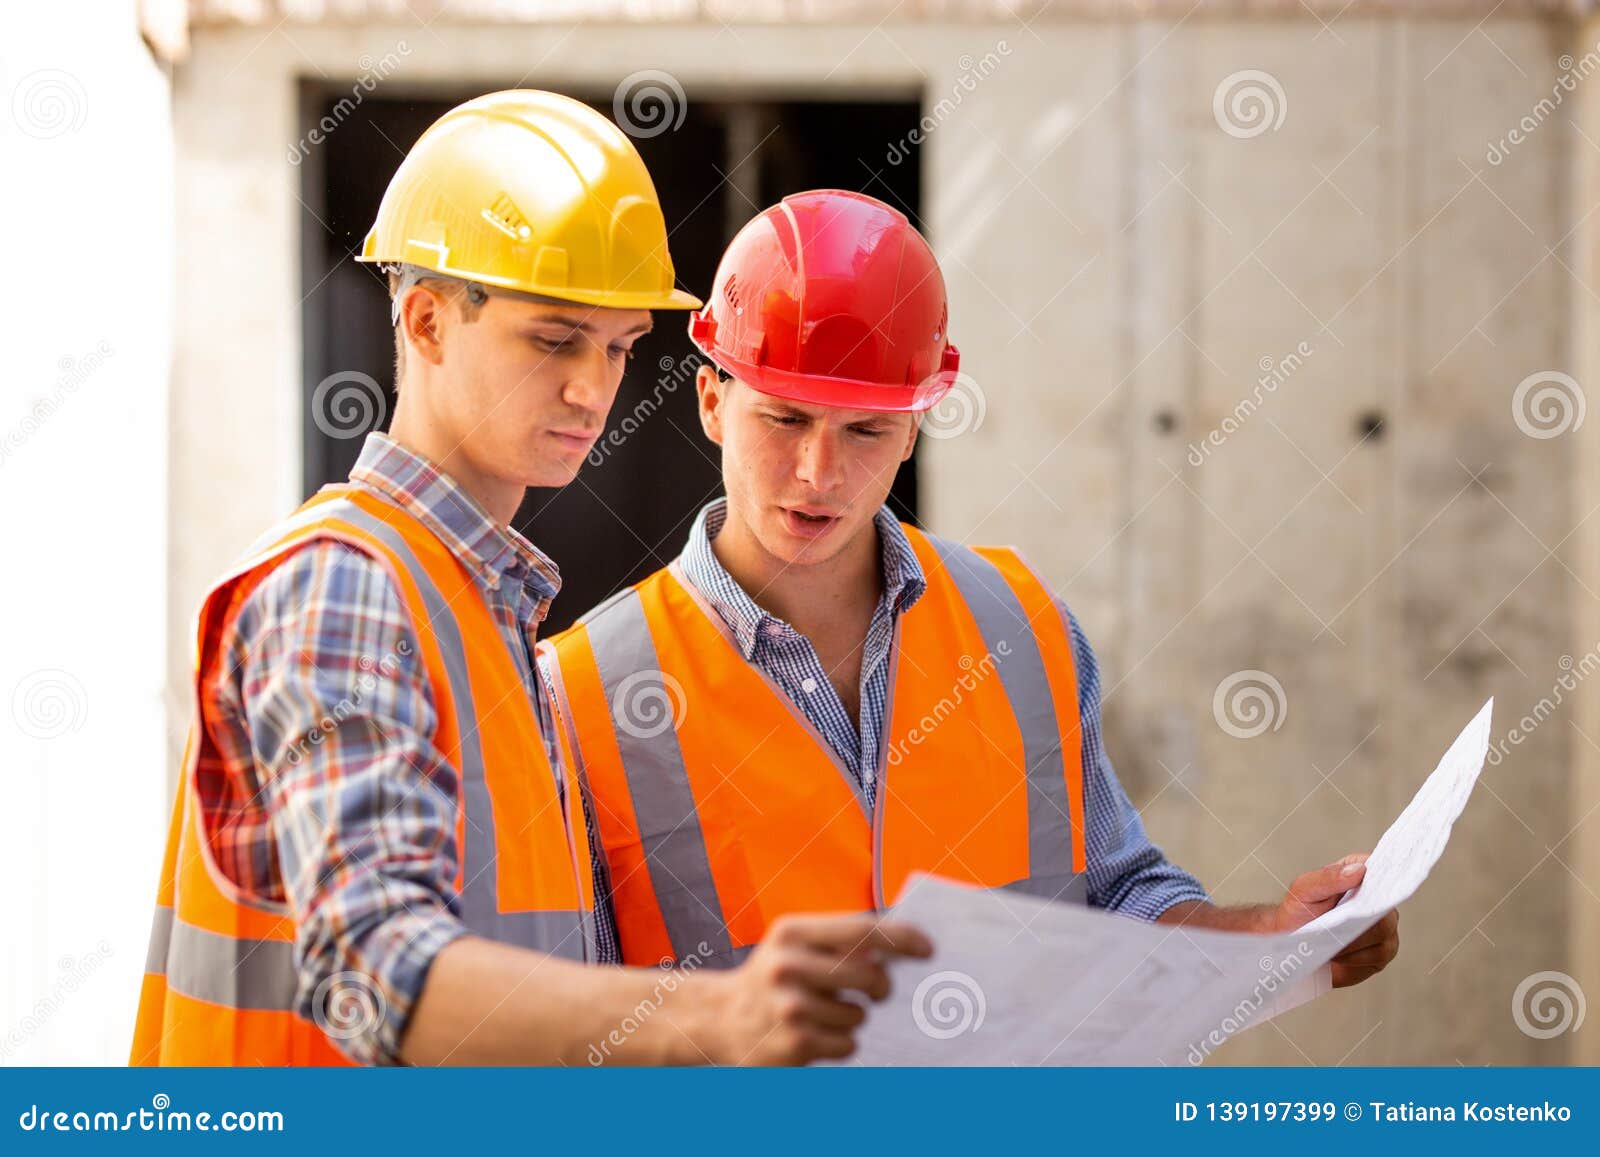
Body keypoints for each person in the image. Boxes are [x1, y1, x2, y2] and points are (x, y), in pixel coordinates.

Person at [131, 100, 929, 1069]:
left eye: (619, 345)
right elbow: (376, 970)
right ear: (425, 318)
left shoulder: (486, 608)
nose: (593, 388)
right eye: (553, 340)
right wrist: (718, 1017)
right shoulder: (346, 585)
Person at [540, 189, 1400, 990]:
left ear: (914, 428)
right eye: (784, 418)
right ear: (710, 402)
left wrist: (1270, 936)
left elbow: (1117, 894)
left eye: (867, 430)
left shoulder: (1017, 623)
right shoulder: (583, 694)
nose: (818, 473)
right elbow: (583, 1034)